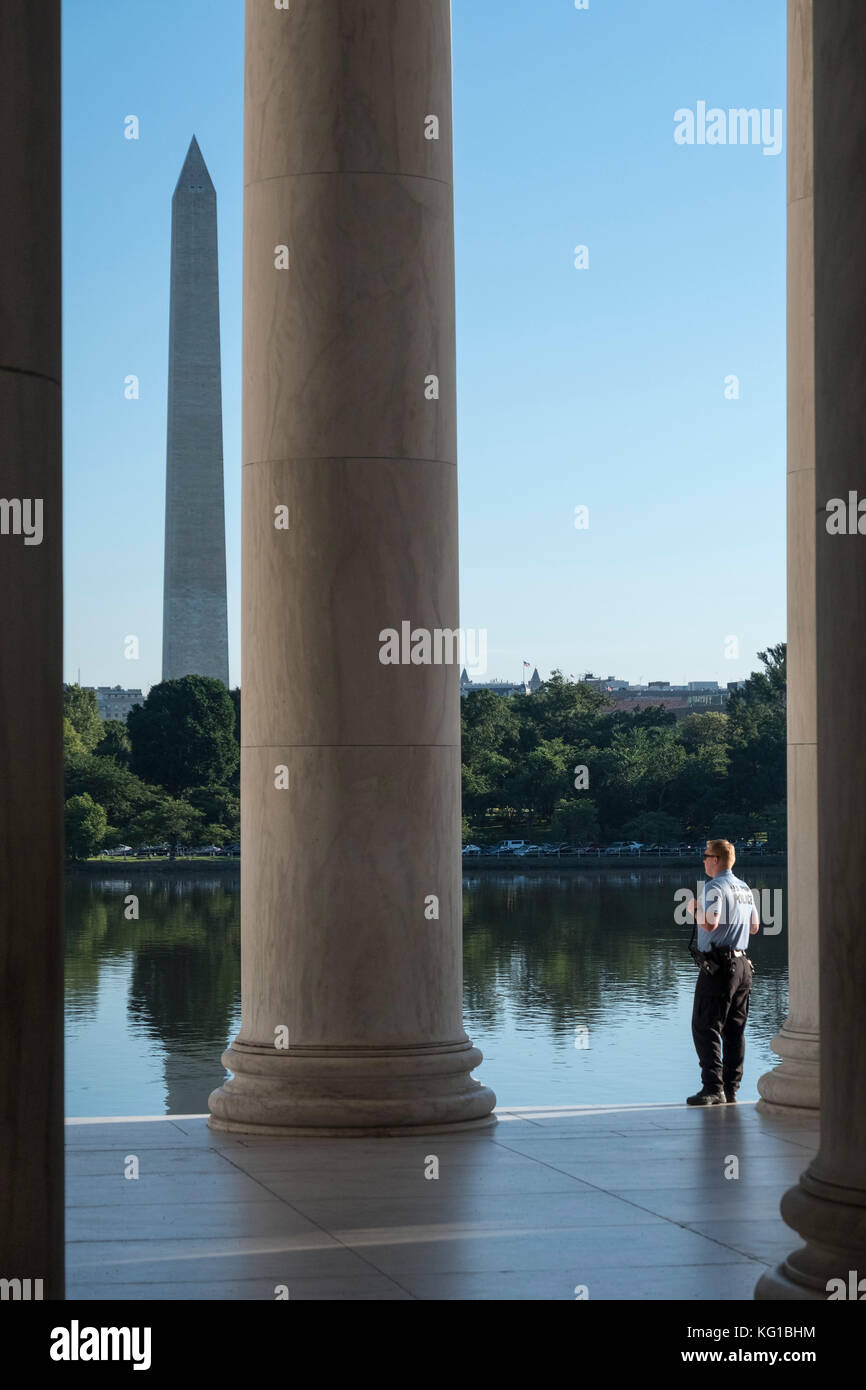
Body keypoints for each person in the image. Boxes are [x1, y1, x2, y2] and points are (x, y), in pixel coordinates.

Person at [685, 838, 759, 1106]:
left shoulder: (715, 887)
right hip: (742, 966)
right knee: (734, 1030)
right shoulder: (744, 888)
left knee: (704, 1025)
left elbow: (709, 924)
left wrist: (694, 908)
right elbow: (754, 927)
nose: (703, 860)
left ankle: (712, 1087)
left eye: (705, 855)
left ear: (715, 860)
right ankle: (731, 1089)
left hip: (719, 967)